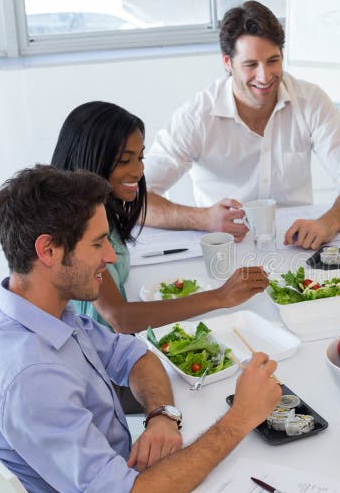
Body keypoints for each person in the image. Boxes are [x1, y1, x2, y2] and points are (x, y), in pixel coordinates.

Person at [0, 166, 282, 493]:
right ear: (49, 251)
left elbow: (136, 356)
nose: (111, 257)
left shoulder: (29, 306)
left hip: (125, 479)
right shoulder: (30, 377)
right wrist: (240, 417)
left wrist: (161, 415)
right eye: (98, 243)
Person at [144, 0, 340, 250]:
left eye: (273, 61)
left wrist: (329, 222)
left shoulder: (311, 101)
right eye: (251, 65)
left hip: (295, 246)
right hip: (225, 246)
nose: (264, 77)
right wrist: (203, 218)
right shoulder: (197, 115)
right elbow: (134, 199)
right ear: (227, 62)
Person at [51, 101, 269, 335]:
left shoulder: (101, 208)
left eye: (140, 158)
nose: (138, 171)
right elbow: (120, 317)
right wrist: (220, 297)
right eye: (125, 161)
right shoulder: (78, 225)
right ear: (90, 159)